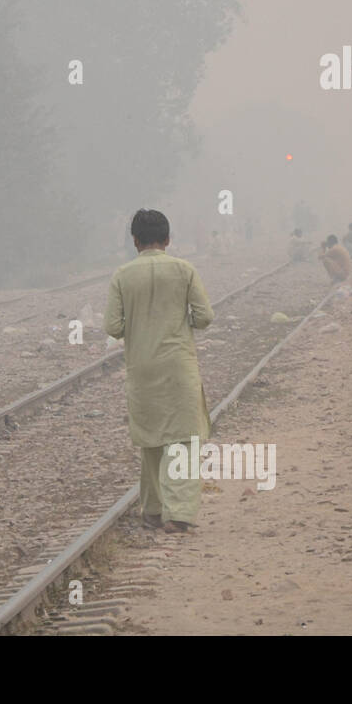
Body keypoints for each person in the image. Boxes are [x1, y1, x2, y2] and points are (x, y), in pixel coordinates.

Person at [105, 209, 213, 534]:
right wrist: (181, 322)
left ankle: (152, 510)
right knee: (181, 437)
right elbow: (204, 316)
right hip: (178, 365)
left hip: (142, 369)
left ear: (134, 241)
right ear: (167, 239)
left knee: (151, 440)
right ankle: (179, 513)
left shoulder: (122, 275)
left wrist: (139, 327)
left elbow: (112, 326)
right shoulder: (184, 270)